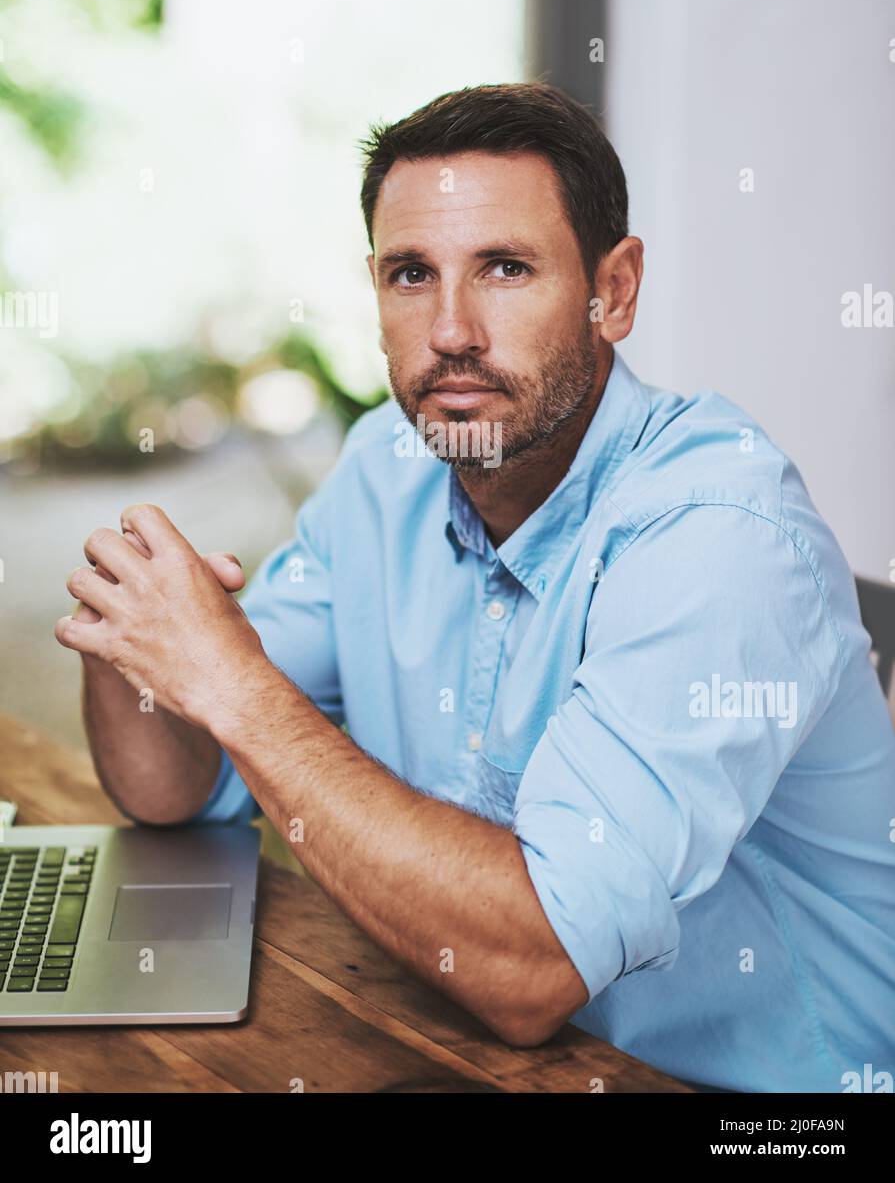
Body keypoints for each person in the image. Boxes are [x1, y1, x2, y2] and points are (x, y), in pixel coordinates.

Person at [58, 82, 895, 1093]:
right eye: (412, 274)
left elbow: (534, 960)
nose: (450, 330)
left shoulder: (720, 538)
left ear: (613, 291)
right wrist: (135, 627)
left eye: (504, 268)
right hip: (478, 1054)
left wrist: (231, 682)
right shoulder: (387, 466)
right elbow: (180, 785)